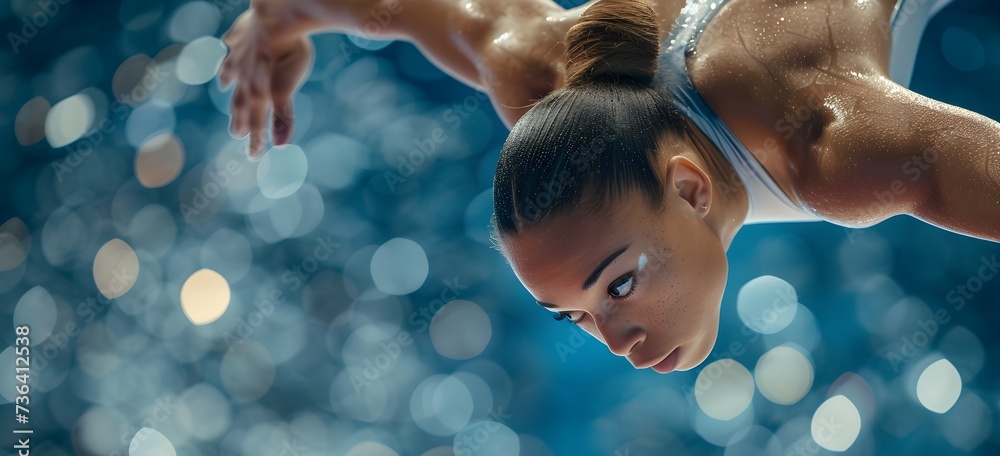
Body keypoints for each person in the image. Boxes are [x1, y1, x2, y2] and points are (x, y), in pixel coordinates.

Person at [218, 0, 999, 374]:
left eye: (619, 284)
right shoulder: (541, 73)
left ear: (690, 189)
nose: (619, 343)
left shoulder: (831, 145)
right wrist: (274, 23)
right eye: (577, 315)